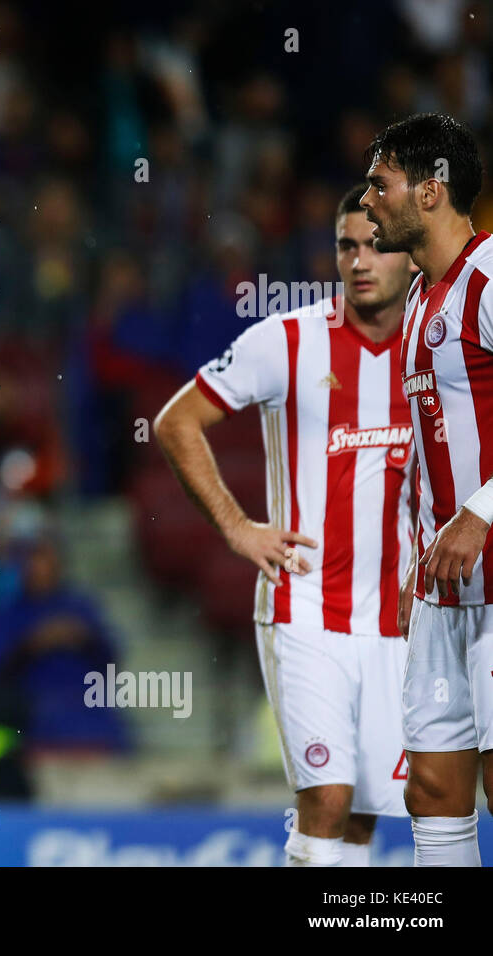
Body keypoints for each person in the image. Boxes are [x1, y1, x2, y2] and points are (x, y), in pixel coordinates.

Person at [153, 183, 416, 866]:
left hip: (401, 622)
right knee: (327, 799)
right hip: (305, 610)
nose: (359, 261)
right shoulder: (286, 341)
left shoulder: (440, 347)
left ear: (411, 257)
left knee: (361, 818)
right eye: (347, 246)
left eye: (377, 246)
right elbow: (177, 421)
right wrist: (237, 526)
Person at [361, 113, 493, 866]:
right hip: (444, 594)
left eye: (382, 185)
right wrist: (419, 557)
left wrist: (481, 512)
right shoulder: (416, 300)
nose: (368, 200)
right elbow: (428, 451)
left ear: (432, 190)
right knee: (434, 793)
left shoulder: (489, 274)